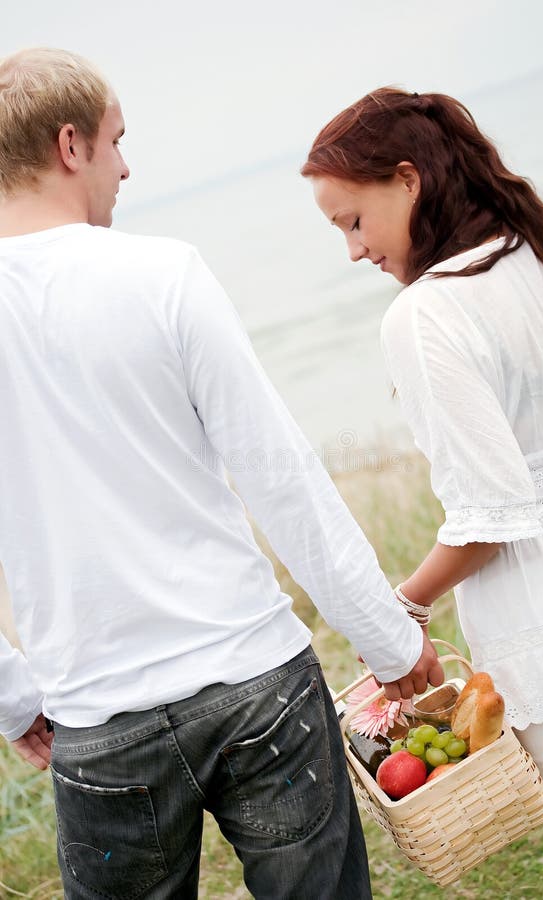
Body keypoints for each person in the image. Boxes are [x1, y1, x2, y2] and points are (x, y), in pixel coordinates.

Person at [0, 51, 444, 900]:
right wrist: (387, 640)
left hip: (99, 723)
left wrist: (16, 699)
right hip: (257, 691)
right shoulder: (163, 272)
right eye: (115, 142)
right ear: (69, 145)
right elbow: (280, 475)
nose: (125, 167)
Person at [301, 86, 543, 899]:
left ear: (409, 181)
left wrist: (407, 604)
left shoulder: (427, 315)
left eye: (353, 221)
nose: (355, 253)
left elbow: (491, 519)